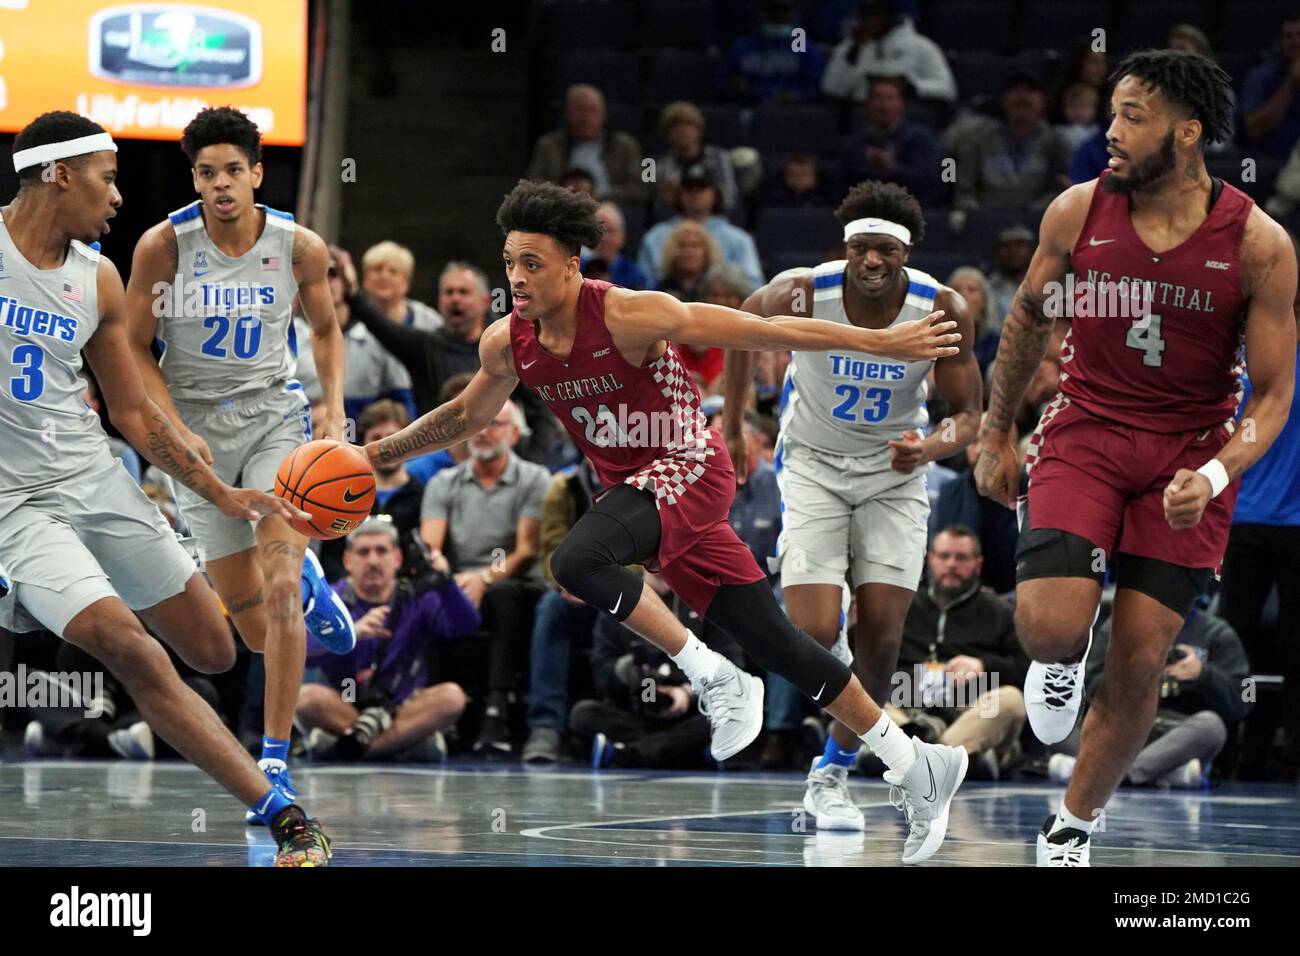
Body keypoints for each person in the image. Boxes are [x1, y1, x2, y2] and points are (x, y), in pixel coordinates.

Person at [366, 179, 968, 863]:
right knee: (783, 644)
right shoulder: (509, 341)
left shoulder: (628, 314)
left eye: (532, 263)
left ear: (573, 265)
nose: (517, 277)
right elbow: (468, 415)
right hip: (641, 493)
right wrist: (377, 454)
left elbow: (759, 328)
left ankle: (712, 673)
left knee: (575, 561)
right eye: (509, 262)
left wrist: (878, 342)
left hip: (690, 466)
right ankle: (916, 764)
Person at [974, 50, 1298, 866]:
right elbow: (1024, 325)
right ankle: (1062, 651)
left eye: (1133, 116)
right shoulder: (1076, 210)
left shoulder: (1260, 243)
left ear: (1186, 132)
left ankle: (1072, 828)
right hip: (1086, 429)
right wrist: (994, 431)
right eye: (1111, 112)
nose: (1110, 131)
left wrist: (1217, 473)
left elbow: (1269, 399)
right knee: (1048, 628)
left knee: (1141, 658)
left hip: (1187, 456)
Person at [0, 111, 331, 864]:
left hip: (93, 474)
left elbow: (131, 413)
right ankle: (282, 811)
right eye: (108, 178)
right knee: (132, 651)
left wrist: (221, 495)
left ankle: (24, 603)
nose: (119, 197)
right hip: (15, 506)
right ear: (59, 174)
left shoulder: (99, 277)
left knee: (213, 649)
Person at [722, 180, 982, 830]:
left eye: (885, 252)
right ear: (846, 247)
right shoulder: (805, 291)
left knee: (885, 635)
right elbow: (735, 330)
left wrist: (928, 451)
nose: (872, 262)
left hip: (894, 474)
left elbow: (969, 415)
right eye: (861, 249)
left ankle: (831, 773)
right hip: (811, 464)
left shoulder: (941, 306)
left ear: (907, 253)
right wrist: (732, 428)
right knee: (812, 631)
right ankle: (839, 683)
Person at [124, 106, 356, 822]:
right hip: (196, 437)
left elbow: (325, 328)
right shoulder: (163, 247)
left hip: (270, 423)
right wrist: (168, 426)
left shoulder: (298, 246)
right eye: (205, 172)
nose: (220, 184)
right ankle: (314, 588)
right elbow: (133, 348)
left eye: (232, 171)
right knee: (253, 632)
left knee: (279, 587)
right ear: (193, 178)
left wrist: (332, 406)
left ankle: (276, 760)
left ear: (257, 174)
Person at [419, 398, 551, 754]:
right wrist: (446, 576)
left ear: (514, 432)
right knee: (422, 594)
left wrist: (484, 578)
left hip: (514, 581)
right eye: (477, 425)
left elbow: (525, 551)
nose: (483, 432)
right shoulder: (443, 482)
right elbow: (431, 546)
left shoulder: (535, 478)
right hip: (459, 579)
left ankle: (496, 711)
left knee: (504, 595)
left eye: (494, 424)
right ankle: (427, 712)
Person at [297, 517, 478, 760]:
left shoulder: (415, 595)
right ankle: (404, 746)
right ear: (347, 560)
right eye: (363, 552)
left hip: (403, 708)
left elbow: (465, 625)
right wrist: (352, 632)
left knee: (452, 697)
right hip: (346, 705)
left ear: (397, 558)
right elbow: (300, 651)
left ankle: (352, 748)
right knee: (306, 697)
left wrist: (445, 582)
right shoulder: (331, 598)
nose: (373, 560)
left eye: (381, 551)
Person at [1049, 602, 1252, 790]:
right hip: (1117, 726)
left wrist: (1204, 674)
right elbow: (1087, 685)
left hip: (1173, 734)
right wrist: (1132, 672)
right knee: (1055, 719)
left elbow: (1244, 698)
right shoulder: (1117, 625)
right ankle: (1165, 775)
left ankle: (1100, 773)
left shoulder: (1216, 632)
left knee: (1212, 726)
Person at [890, 526, 1027, 779]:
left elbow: (1027, 672)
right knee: (862, 695)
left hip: (970, 707)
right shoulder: (902, 608)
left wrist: (983, 665)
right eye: (944, 556)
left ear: (977, 564)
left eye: (961, 558)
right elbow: (876, 665)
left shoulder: (1000, 612)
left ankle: (910, 758)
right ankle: (952, 760)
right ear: (929, 559)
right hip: (908, 705)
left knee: (1011, 700)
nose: (951, 564)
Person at [318, 399, 427, 582]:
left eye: (393, 437)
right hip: (350, 595)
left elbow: (425, 557)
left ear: (408, 442)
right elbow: (331, 558)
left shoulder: (423, 496)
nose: (386, 446)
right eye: (376, 438)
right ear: (363, 442)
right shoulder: (342, 497)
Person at [637, 162, 764, 289]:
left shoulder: (739, 239)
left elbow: (754, 287)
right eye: (689, 188)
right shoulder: (655, 236)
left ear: (715, 194)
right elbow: (642, 286)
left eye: (701, 188)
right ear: (679, 194)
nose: (695, 194)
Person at [526, 84, 647, 205]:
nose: (586, 117)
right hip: (561, 208)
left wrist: (597, 197)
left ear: (603, 114)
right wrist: (566, 194)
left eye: (592, 110)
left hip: (609, 208)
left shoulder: (625, 146)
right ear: (567, 113)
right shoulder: (549, 145)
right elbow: (534, 183)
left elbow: (639, 189)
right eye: (579, 110)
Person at [820, 0, 956, 104]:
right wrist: (854, 51)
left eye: (877, 14)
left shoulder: (921, 47)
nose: (871, 21)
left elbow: (947, 89)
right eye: (866, 14)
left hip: (907, 118)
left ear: (891, 16)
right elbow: (832, 89)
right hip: (860, 118)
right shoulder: (848, 47)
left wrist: (911, 87)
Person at [841, 75, 942, 205]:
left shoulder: (921, 139)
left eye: (890, 98)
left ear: (902, 104)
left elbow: (930, 183)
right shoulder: (855, 143)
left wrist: (892, 168)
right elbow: (846, 187)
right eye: (878, 98)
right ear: (868, 103)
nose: (884, 105)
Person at [653, 101, 740, 221]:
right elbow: (654, 206)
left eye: (688, 126)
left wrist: (706, 198)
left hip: (716, 220)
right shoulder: (657, 164)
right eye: (675, 127)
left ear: (699, 130)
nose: (682, 131)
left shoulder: (720, 157)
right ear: (667, 134)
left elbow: (730, 198)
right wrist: (669, 199)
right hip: (674, 222)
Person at [1239, 14, 1300, 158]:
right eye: (1289, 36)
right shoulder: (1260, 76)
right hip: (1274, 159)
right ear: (1280, 42)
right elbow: (1253, 129)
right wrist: (1290, 84)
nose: (1295, 41)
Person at [359, 239, 444, 332]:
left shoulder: (430, 322)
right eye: (377, 269)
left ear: (406, 282)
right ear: (365, 279)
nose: (384, 276)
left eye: (393, 271)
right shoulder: (352, 325)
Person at [582, 202, 648, 291]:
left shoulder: (634, 277)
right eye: (599, 231)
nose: (604, 237)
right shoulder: (575, 269)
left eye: (610, 231)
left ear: (622, 237)